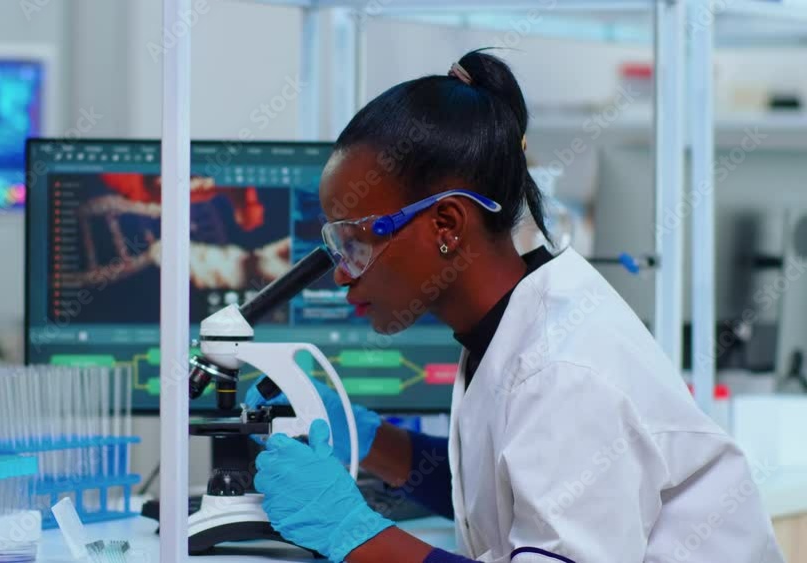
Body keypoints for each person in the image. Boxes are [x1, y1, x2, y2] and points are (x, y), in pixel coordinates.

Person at [247, 50, 784, 563]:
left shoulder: (563, 371)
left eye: (356, 242)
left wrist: (349, 531)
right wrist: (365, 438)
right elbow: (504, 493)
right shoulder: (509, 325)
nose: (343, 272)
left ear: (447, 225)